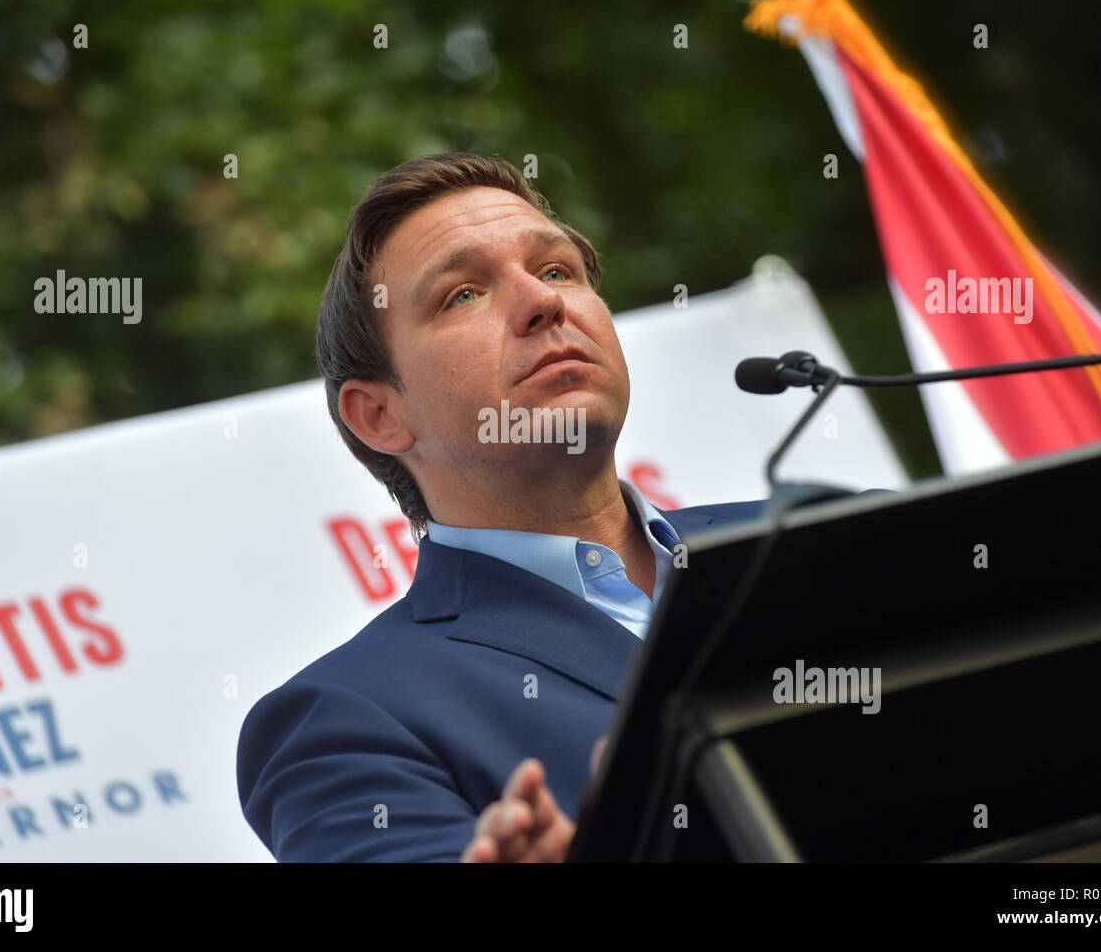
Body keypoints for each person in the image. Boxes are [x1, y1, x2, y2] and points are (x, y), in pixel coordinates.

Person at [236, 152, 771, 862]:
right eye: (462, 294)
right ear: (381, 416)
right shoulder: (338, 720)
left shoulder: (827, 539)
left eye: (556, 271)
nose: (543, 302)